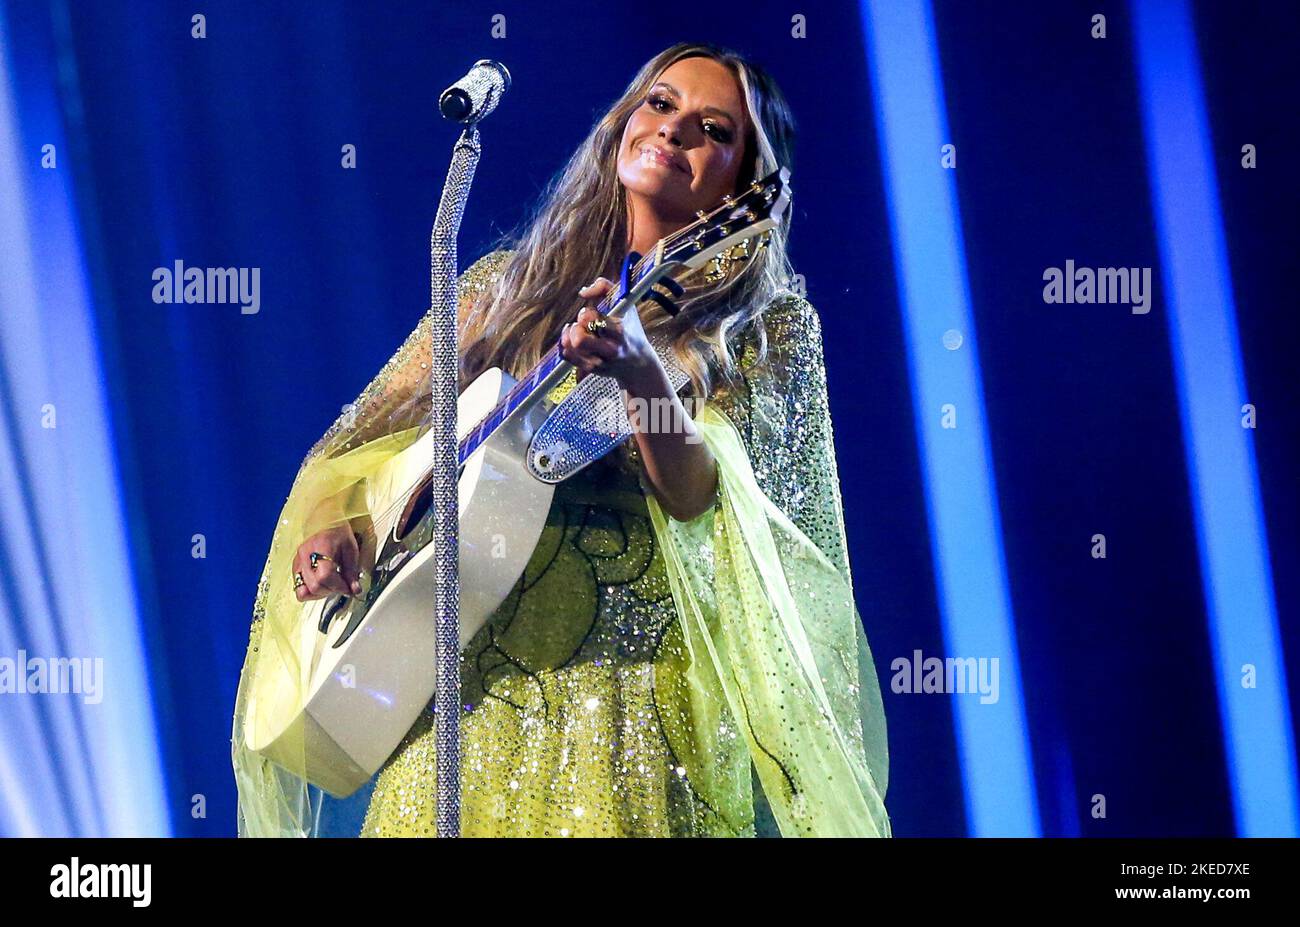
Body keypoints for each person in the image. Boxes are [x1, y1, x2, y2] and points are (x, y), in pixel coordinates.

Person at [231, 42, 891, 838]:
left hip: (630, 722)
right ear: (622, 126)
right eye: (660, 104)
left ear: (746, 187)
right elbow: (356, 441)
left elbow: (702, 501)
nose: (675, 131)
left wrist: (642, 370)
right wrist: (339, 522)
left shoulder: (764, 328)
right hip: (456, 711)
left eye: (712, 128)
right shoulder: (500, 287)